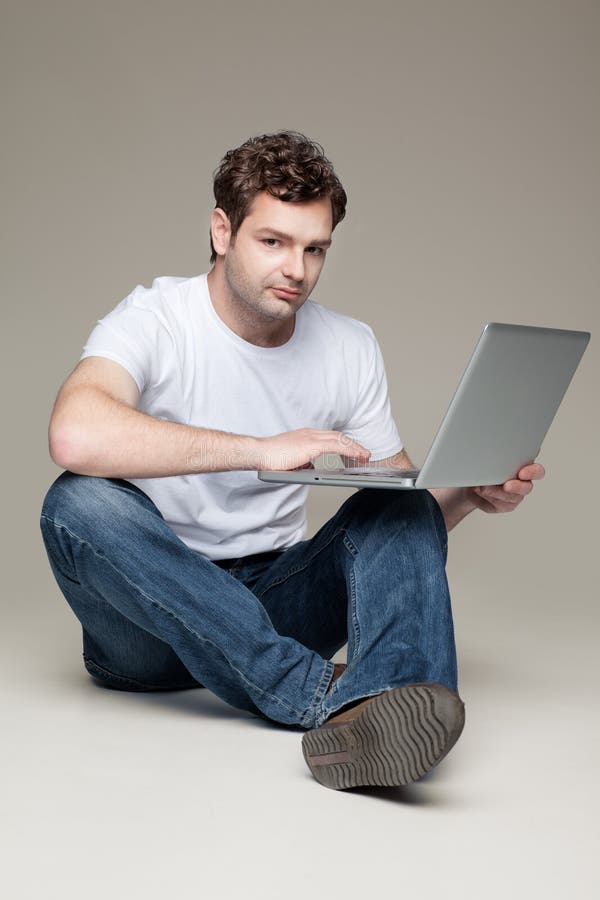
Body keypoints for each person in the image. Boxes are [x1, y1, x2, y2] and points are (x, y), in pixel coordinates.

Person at [40, 131, 544, 791]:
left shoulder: (349, 346)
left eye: (314, 250)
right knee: (77, 501)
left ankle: (394, 697)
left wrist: (470, 495)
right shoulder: (153, 319)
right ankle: (330, 702)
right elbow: (73, 435)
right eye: (272, 242)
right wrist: (259, 451)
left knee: (398, 500)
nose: (296, 270)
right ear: (222, 231)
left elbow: (398, 532)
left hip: (274, 604)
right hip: (148, 626)